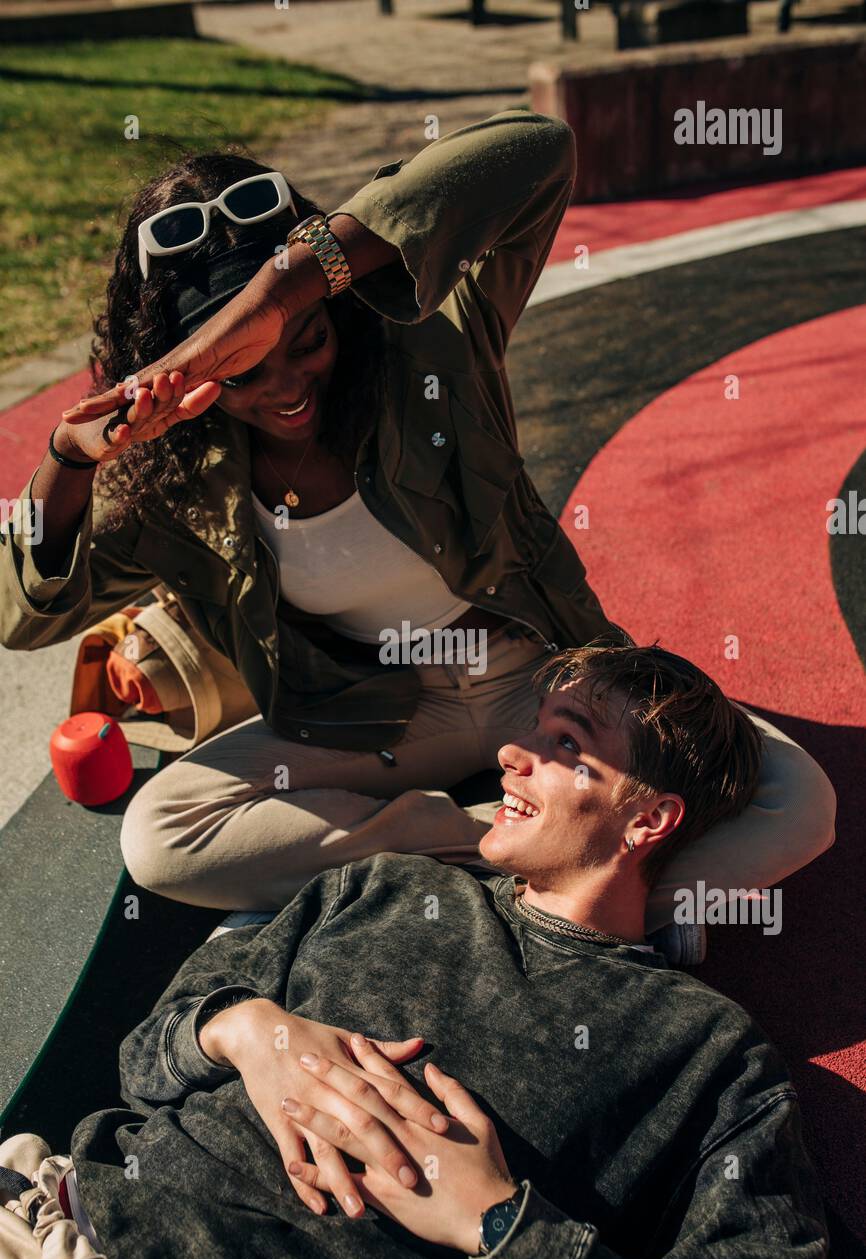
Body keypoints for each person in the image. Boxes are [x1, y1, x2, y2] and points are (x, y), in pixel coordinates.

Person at [0, 110, 834, 944]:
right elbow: (20, 611)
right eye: (241, 370)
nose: (287, 386)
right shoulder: (175, 483)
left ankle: (430, 897)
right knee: (163, 837)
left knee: (797, 802)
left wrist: (282, 287)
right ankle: (545, 878)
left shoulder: (436, 348)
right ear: (180, 366)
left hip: (541, 685)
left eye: (308, 339)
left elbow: (540, 152)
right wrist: (70, 458)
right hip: (381, 715)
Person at [0, 645, 829, 1259]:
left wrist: (504, 1226)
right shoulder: (386, 883)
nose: (510, 752)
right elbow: (140, 1065)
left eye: (566, 742)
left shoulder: (706, 1053)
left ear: (648, 818)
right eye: (533, 728)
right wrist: (243, 1031)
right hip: (54, 1216)